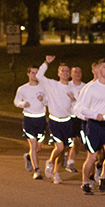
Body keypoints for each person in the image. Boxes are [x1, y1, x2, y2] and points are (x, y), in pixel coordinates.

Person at [73, 59, 105, 194]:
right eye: (104, 67)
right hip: (94, 124)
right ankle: (85, 182)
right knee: (92, 157)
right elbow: (82, 108)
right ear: (98, 70)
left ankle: (103, 176)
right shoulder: (91, 88)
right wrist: (95, 115)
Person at [37, 56, 78, 184]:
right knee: (59, 147)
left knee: (64, 149)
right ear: (58, 73)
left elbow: (76, 106)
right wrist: (46, 63)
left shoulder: (73, 88)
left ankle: (56, 173)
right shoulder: (52, 84)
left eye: (67, 71)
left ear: (69, 74)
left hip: (67, 121)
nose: (65, 73)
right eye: (62, 71)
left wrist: (73, 99)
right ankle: (50, 162)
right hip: (54, 121)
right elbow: (39, 76)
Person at [13, 65, 48, 180]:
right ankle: (37, 170)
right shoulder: (22, 89)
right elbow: (16, 101)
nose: (34, 75)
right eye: (32, 73)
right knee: (33, 144)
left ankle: (29, 157)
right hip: (29, 119)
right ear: (28, 74)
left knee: (38, 147)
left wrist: (43, 100)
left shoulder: (43, 88)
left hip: (41, 118)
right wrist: (23, 104)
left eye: (37, 73)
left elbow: (48, 101)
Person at [65, 64, 85, 173]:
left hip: (80, 117)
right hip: (69, 117)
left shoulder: (85, 87)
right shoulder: (67, 86)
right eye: (75, 72)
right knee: (67, 142)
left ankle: (70, 163)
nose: (77, 74)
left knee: (77, 141)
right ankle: (64, 155)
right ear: (71, 74)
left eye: (79, 72)